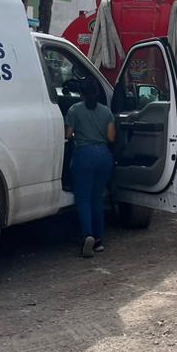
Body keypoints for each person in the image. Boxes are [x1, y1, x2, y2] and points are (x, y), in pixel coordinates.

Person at [64, 79, 116, 257]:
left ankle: (87, 236)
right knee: (97, 198)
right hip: (104, 157)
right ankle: (99, 240)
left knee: (83, 199)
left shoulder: (74, 110)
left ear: (81, 94)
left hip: (84, 156)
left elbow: (68, 134)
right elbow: (111, 137)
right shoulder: (106, 111)